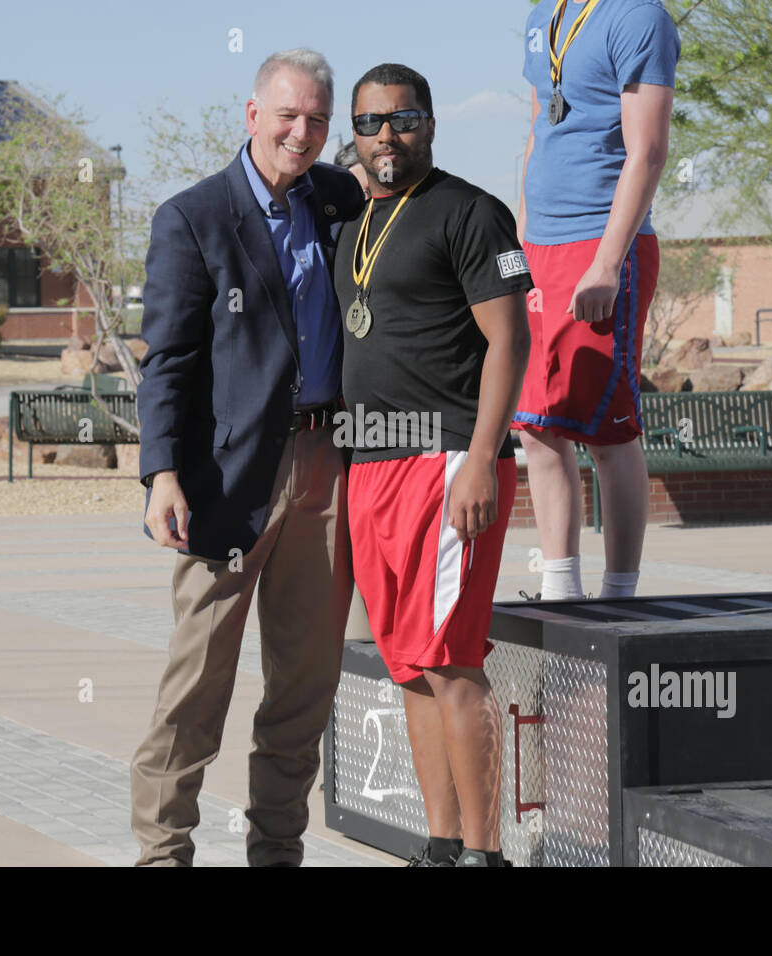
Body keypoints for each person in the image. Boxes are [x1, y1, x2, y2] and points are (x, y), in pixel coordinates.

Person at [130, 49, 365, 866]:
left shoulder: (336, 197)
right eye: (288, 115)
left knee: (304, 685)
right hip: (227, 481)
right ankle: (163, 854)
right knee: (196, 688)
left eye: (317, 121)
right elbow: (169, 358)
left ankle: (276, 852)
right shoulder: (192, 217)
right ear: (252, 114)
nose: (301, 133)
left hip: (325, 468)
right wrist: (161, 473)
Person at [334, 63, 533, 867]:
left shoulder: (471, 212)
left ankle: (488, 855)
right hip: (371, 467)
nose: (387, 135)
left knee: (451, 665)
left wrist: (483, 456)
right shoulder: (352, 217)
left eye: (403, 118)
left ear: (431, 123)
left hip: (448, 460)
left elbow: (510, 342)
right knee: (408, 668)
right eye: (371, 121)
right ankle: (441, 848)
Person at [513, 0, 679, 601]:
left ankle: (618, 597)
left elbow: (649, 150)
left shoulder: (639, 17)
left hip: (603, 244)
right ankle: (560, 590)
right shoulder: (543, 17)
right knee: (536, 423)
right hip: (542, 247)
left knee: (607, 430)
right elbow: (538, 131)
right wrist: (520, 250)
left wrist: (608, 261)